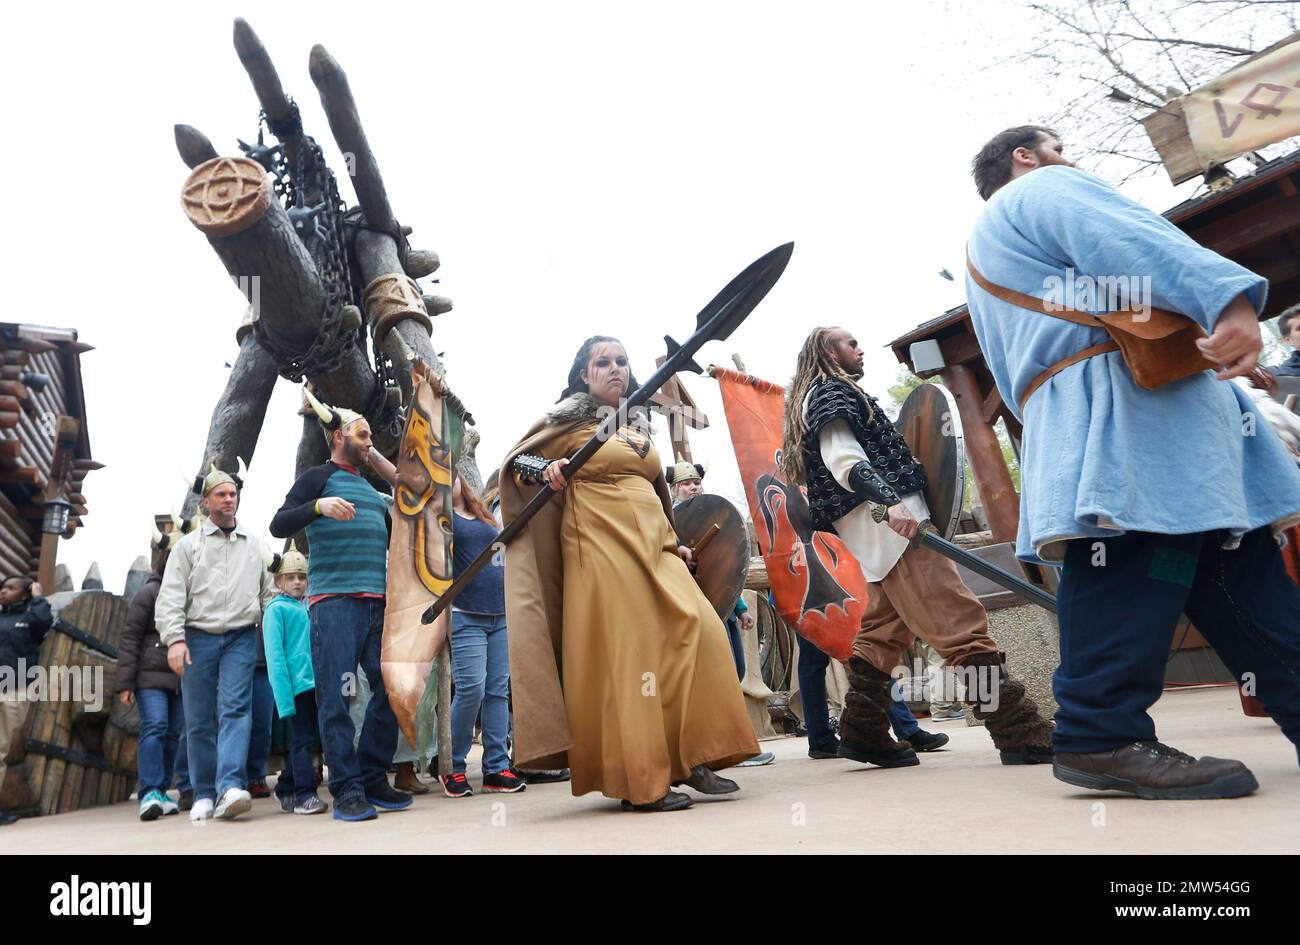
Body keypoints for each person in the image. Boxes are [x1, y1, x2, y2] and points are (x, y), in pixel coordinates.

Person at [965, 125, 1300, 799]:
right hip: (1132, 402)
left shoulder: (988, 252)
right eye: (1057, 147)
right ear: (1024, 158)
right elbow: (1124, 236)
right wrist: (1224, 299)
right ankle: (1101, 731)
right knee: (1140, 543)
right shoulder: (1040, 189)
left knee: (1220, 560)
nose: (1071, 159)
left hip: (1113, 399)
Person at [500, 335, 760, 812]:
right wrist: (548, 468)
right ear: (584, 374)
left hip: (657, 547)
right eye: (603, 362)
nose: (615, 368)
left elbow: (655, 491)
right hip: (599, 548)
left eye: (622, 361)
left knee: (700, 630)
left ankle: (693, 754)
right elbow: (519, 461)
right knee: (634, 654)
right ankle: (642, 779)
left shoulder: (636, 426)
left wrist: (675, 540)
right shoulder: (566, 422)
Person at [782, 327, 1055, 769]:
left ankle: (863, 731)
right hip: (895, 526)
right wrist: (891, 502)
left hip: (879, 532)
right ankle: (1018, 730)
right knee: (960, 623)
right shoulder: (831, 390)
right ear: (828, 351)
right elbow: (844, 460)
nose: (860, 348)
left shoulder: (823, 396)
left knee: (880, 635)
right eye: (850, 343)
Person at [270, 389, 413, 822]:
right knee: (335, 698)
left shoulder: (372, 491)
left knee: (391, 690)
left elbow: (399, 535)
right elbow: (279, 523)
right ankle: (347, 788)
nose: (370, 441)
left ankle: (371, 776)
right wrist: (317, 506)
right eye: (363, 434)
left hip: (377, 606)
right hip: (333, 605)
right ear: (338, 437)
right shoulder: (318, 479)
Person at [157, 461, 275, 822]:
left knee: (236, 711)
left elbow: (268, 594)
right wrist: (175, 640)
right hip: (197, 637)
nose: (228, 499)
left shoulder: (253, 544)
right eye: (221, 494)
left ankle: (230, 787)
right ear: (206, 502)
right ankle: (204, 792)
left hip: (241, 637)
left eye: (233, 494)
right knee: (198, 720)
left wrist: (275, 627)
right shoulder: (187, 548)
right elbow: (172, 596)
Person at [667, 460, 776, 768]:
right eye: (686, 484)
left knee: (736, 671)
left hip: (723, 609)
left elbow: (724, 570)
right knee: (719, 677)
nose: (693, 487)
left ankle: (732, 745)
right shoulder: (671, 525)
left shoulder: (713, 518)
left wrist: (740, 610)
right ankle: (731, 748)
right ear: (675, 489)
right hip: (694, 612)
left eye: (695, 482)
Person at [441, 476, 525, 798]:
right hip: (465, 614)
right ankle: (453, 765)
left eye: (454, 474)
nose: (450, 480)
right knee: (471, 689)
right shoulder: (441, 520)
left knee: (497, 690)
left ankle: (495, 767)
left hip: (500, 612)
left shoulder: (484, 514)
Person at [116, 521, 185, 821]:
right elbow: (130, 636)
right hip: (150, 675)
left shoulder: (190, 593)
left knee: (173, 734)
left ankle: (163, 790)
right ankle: (150, 792)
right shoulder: (149, 593)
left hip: (181, 676)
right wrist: (125, 682)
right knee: (155, 726)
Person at [262, 541, 327, 815]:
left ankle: (286, 787)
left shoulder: (308, 606)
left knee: (307, 738)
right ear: (279, 580)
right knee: (300, 741)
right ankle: (304, 794)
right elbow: (275, 657)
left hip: (314, 686)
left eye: (302, 577)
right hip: (295, 689)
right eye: (291, 577)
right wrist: (284, 698)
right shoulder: (276, 611)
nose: (298, 582)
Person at [0, 576, 51, 826]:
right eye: (2, 588)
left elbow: (44, 621)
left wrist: (38, 596)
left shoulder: (30, 620)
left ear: (24, 594)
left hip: (16, 691)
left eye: (11, 588)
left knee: (2, 749)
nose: (4, 592)